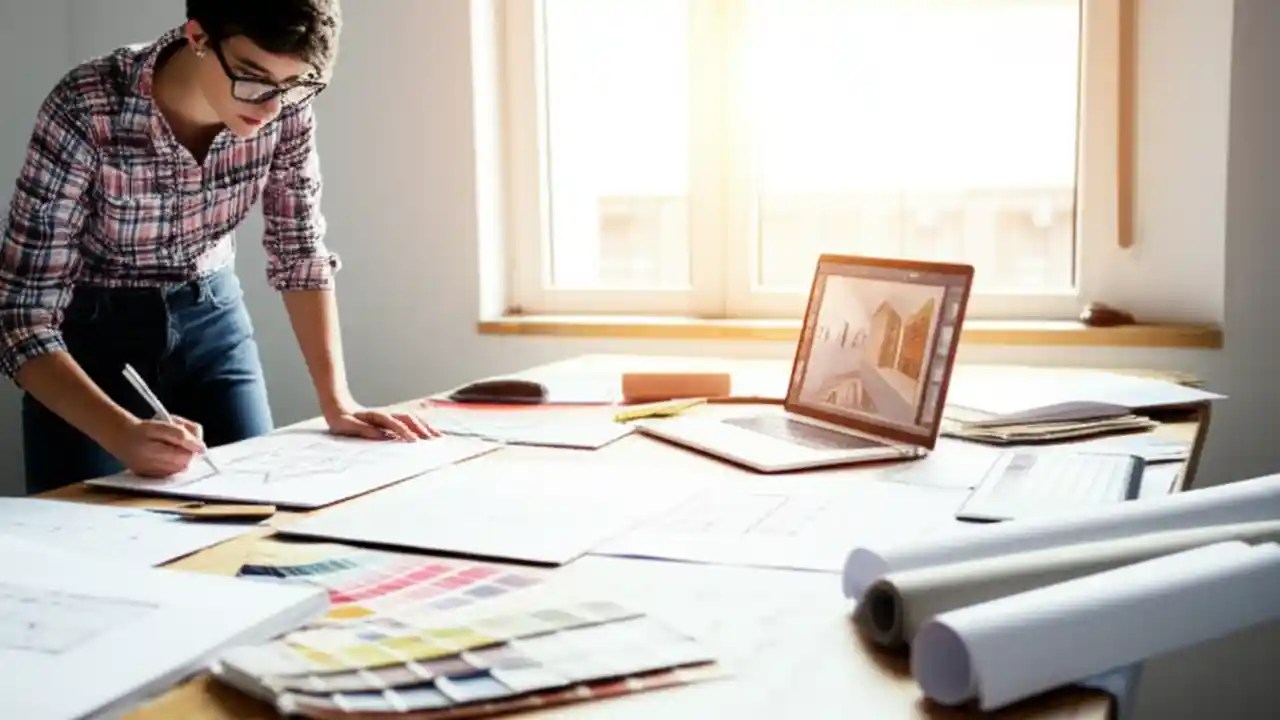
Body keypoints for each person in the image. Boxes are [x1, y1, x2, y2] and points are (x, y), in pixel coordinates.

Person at [0, 0, 434, 496]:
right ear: (198, 37)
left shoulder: (285, 103)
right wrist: (119, 432)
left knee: (257, 507)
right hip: (89, 342)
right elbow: (22, 315)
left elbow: (299, 250)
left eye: (293, 86)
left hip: (212, 322)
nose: (270, 108)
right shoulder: (88, 104)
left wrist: (338, 401)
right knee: (81, 526)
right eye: (253, 78)